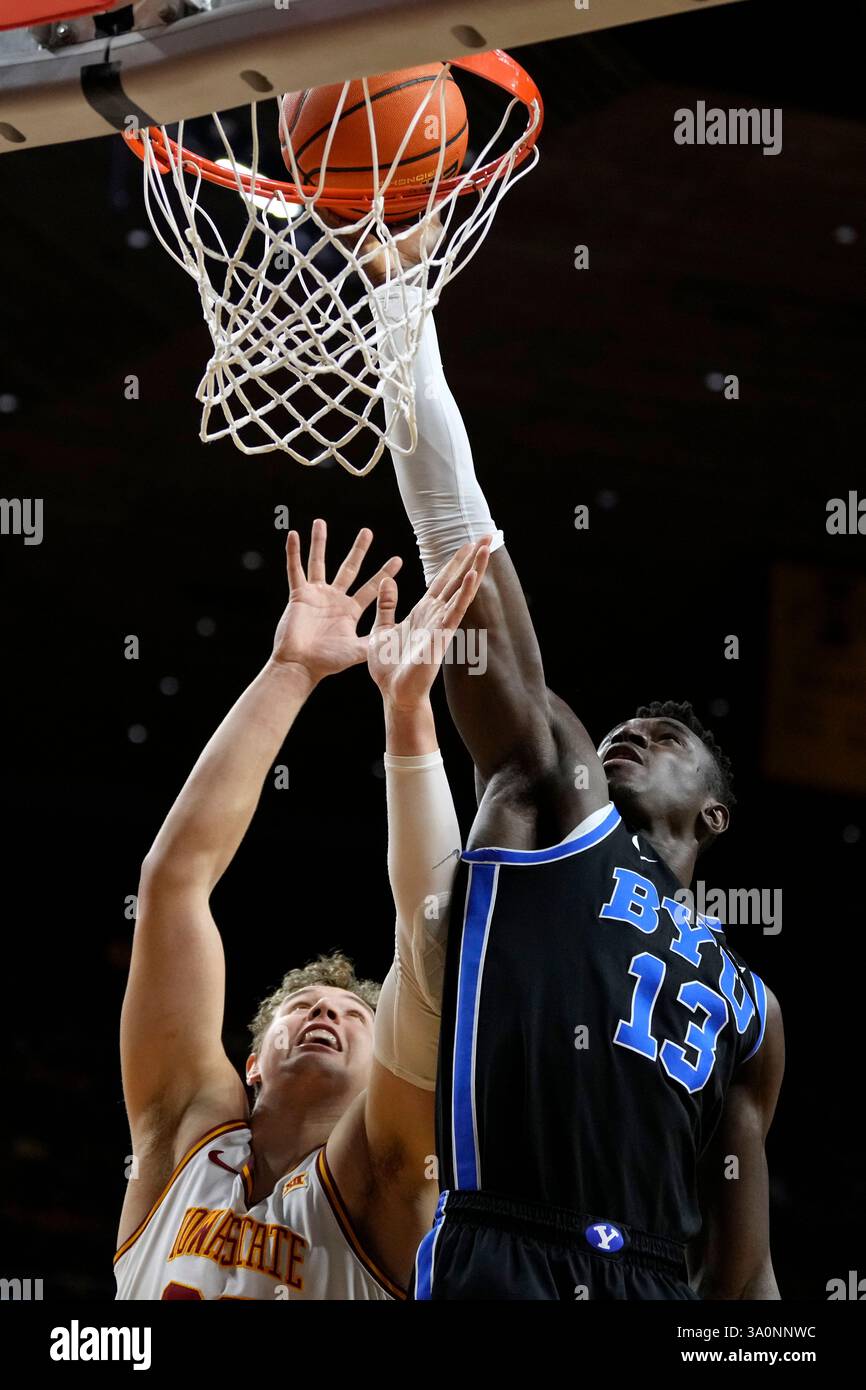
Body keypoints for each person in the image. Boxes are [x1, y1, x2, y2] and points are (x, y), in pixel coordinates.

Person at [368, 233, 785, 1301]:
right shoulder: (559, 809)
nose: (627, 735)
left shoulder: (751, 1009)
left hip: (652, 1286)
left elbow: (742, 1271)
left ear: (715, 817)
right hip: (504, 1245)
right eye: (621, 729)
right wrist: (400, 310)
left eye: (668, 736)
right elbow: (459, 540)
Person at [115, 520, 487, 1299]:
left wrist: (407, 714)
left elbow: (428, 948)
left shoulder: (383, 1176)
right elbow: (173, 883)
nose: (328, 1016)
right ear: (251, 1063)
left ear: (377, 1076)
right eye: (303, 1008)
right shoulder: (183, 1135)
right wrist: (290, 669)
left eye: (354, 1016)